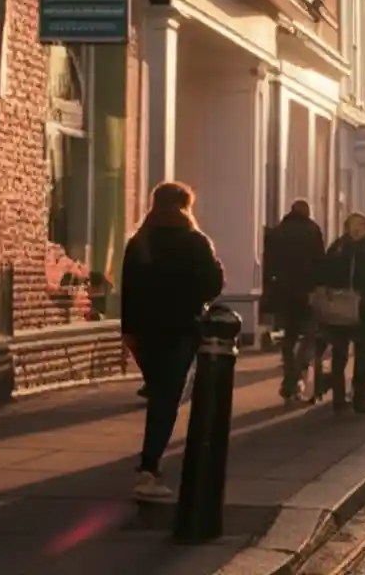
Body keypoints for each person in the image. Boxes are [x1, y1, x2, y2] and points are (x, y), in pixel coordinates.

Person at [121, 182, 224, 501]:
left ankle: (150, 464)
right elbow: (213, 284)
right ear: (185, 206)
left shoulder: (139, 243)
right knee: (167, 400)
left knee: (160, 395)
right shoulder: (195, 241)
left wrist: (129, 332)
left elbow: (128, 291)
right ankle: (148, 469)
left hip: (144, 332)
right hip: (180, 328)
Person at [320, 214, 365, 413]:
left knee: (363, 353)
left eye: (360, 225)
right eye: (352, 225)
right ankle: (339, 397)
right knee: (339, 353)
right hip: (341, 305)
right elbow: (326, 270)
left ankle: (360, 395)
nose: (356, 229)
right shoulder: (340, 247)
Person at [264, 200, 326, 402]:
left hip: (283, 292)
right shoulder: (312, 230)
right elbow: (320, 261)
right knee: (309, 335)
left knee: (288, 338)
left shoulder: (279, 231)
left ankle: (290, 374)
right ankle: (297, 372)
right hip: (307, 292)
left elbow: (269, 262)